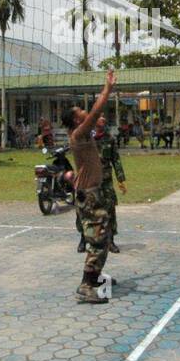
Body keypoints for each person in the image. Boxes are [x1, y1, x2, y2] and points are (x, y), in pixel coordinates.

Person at [62, 70, 117, 303]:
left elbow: (95, 117)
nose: (84, 112)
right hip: (90, 197)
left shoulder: (81, 135)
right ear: (77, 120)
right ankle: (86, 285)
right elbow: (95, 113)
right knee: (97, 240)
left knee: (103, 237)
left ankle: (95, 277)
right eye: (79, 111)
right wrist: (107, 89)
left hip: (93, 193)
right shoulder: (79, 133)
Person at [78, 116, 127, 255]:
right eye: (100, 118)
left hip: (105, 181)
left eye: (105, 118)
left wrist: (121, 179)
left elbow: (115, 159)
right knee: (86, 210)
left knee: (110, 209)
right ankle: (83, 239)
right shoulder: (86, 138)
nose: (104, 120)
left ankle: (110, 241)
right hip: (89, 180)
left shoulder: (109, 139)